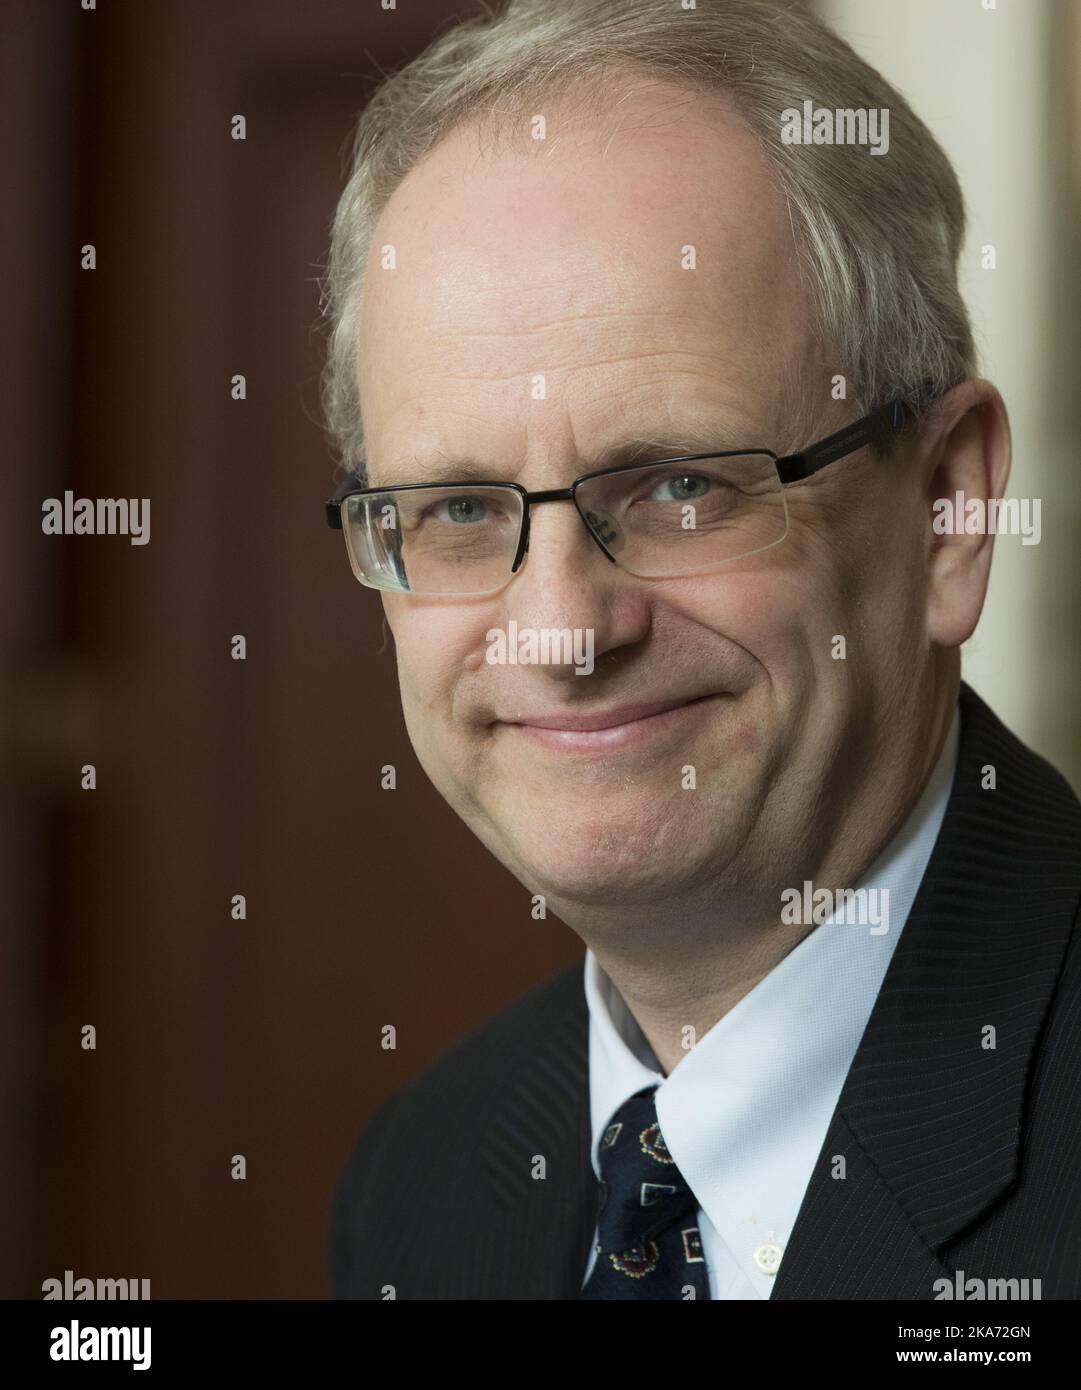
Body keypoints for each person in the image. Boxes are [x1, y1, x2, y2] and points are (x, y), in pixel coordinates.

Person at [318, 0, 1081, 1299]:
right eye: (454, 509)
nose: (561, 629)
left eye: (677, 486)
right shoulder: (420, 1179)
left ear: (947, 510)